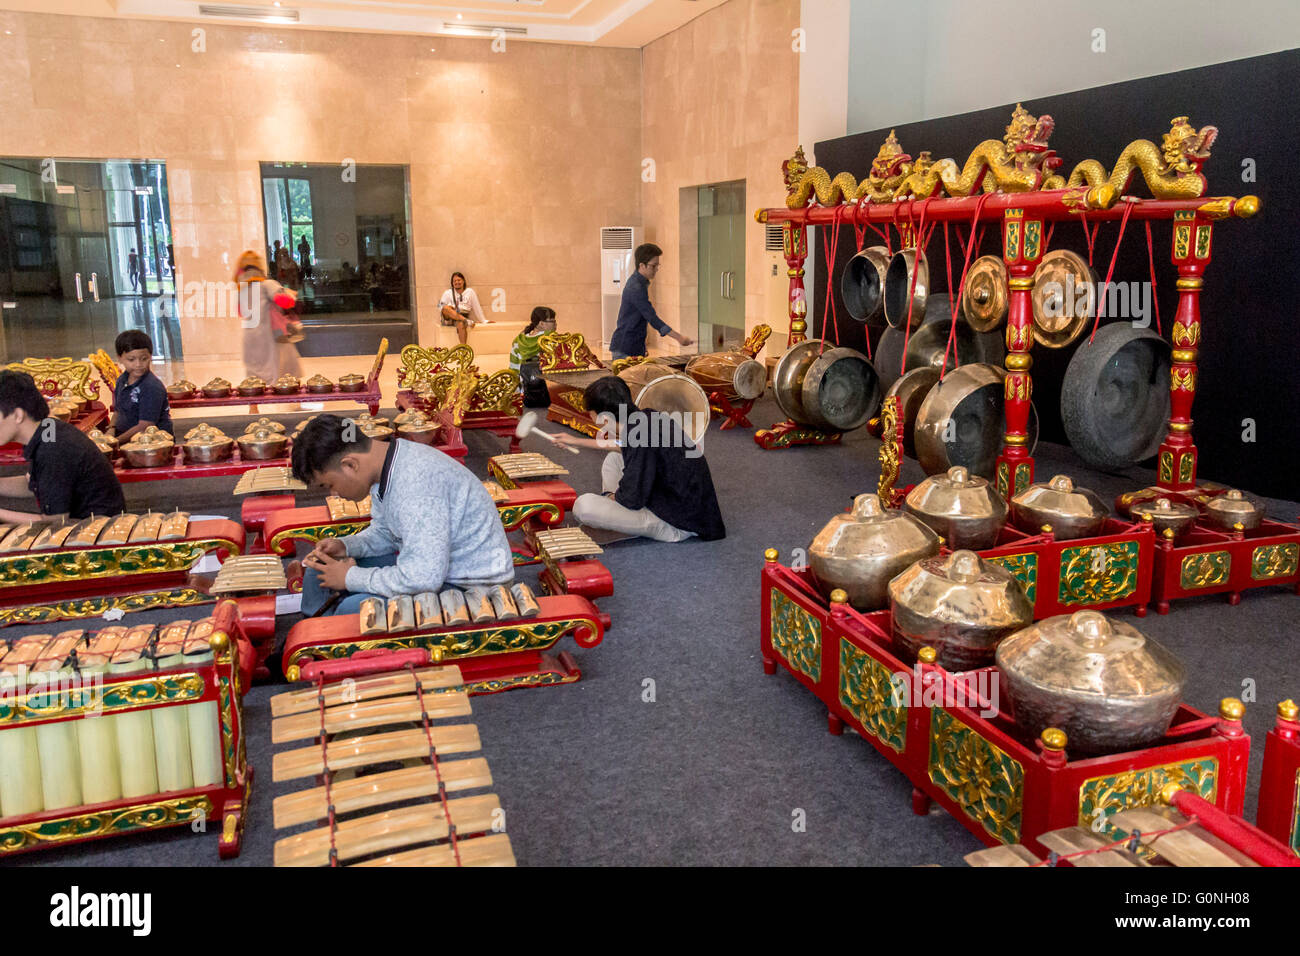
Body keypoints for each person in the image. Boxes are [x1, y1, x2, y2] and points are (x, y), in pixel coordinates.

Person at [292, 414, 514, 615]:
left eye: (329, 484)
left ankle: (331, 645)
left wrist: (350, 578)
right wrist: (347, 546)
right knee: (319, 572)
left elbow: (423, 578)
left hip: (474, 588)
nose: (334, 494)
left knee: (355, 611)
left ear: (350, 464)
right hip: (437, 567)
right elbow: (388, 533)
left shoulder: (415, 486)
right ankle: (316, 637)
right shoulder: (388, 460)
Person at [557, 376, 724, 543]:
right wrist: (575, 441)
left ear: (605, 419)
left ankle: (621, 523)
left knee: (583, 506)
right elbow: (622, 446)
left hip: (677, 523)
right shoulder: (646, 416)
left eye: (591, 414)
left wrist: (609, 497)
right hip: (676, 499)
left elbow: (631, 499)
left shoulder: (638, 438)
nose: (591, 418)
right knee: (613, 459)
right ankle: (618, 521)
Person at [0, 371, 125, 524]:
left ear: (18, 415)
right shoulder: (48, 428)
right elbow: (35, 483)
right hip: (83, 526)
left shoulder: (53, 450)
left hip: (98, 535)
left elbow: (55, 522)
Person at [609, 243, 693, 361]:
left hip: (632, 347)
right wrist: (679, 338)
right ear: (642, 265)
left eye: (657, 265)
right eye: (653, 266)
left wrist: (642, 348)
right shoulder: (636, 287)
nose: (656, 269)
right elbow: (652, 318)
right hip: (625, 349)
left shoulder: (640, 283)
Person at [236, 249, 304, 384]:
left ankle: (253, 405)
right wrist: (290, 294)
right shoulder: (267, 284)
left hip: (251, 338)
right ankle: (293, 396)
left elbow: (240, 312)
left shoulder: (242, 290)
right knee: (286, 370)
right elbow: (285, 302)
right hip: (273, 336)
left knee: (253, 376)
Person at [110, 329, 173, 441]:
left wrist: (116, 441)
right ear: (119, 358)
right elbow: (118, 411)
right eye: (131, 359)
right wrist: (111, 429)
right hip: (125, 438)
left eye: (144, 359)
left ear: (151, 356)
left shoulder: (151, 387)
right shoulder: (122, 380)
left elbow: (145, 426)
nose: (138, 364)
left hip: (151, 443)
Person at [439, 272, 490, 346]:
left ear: (463, 281)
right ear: (452, 283)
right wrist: (450, 306)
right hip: (449, 317)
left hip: (462, 315)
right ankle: (466, 321)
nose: (457, 282)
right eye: (454, 281)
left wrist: (483, 320)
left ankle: (463, 349)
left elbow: (477, 307)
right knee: (445, 308)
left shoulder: (470, 292)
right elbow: (440, 307)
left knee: (461, 324)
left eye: (459, 280)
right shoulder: (448, 293)